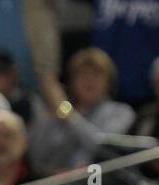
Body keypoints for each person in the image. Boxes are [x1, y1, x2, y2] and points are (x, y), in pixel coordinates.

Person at [29, 48, 136, 176]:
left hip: (102, 183)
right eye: (82, 74)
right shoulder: (59, 112)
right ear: (71, 82)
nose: (89, 80)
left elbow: (103, 147)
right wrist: (47, 116)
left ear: (109, 81)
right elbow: (36, 157)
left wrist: (68, 113)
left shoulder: (121, 112)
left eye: (96, 75)